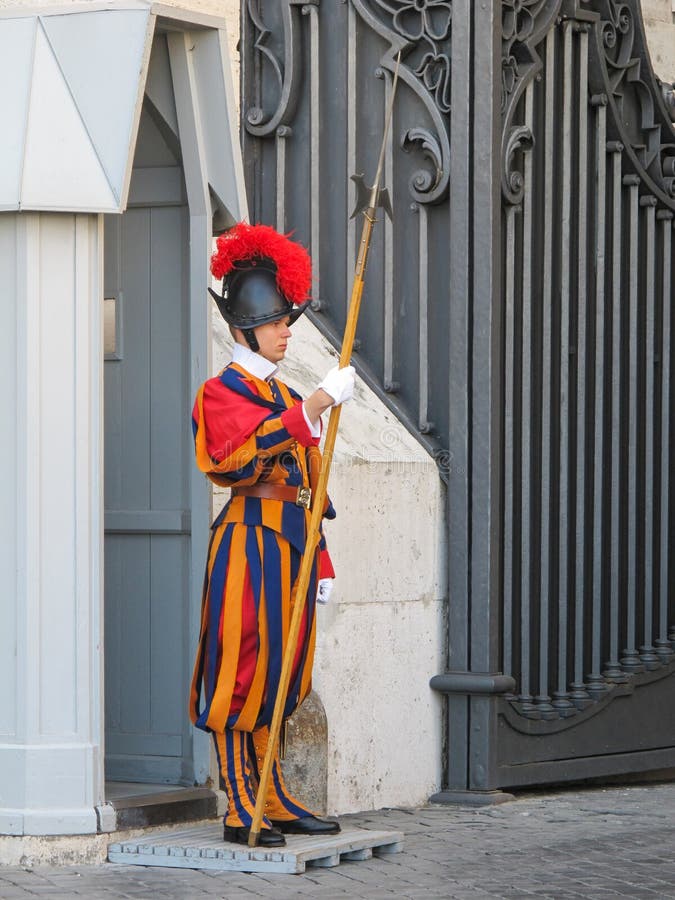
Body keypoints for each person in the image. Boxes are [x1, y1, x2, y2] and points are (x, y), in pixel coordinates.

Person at [189, 222, 355, 847]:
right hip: (248, 541)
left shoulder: (277, 390)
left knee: (284, 672)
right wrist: (310, 409)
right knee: (243, 666)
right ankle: (240, 805)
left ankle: (272, 792)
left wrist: (324, 559)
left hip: (291, 541)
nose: (288, 330)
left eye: (288, 319)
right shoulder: (221, 391)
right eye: (278, 320)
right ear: (244, 328)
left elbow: (309, 481)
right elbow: (235, 456)